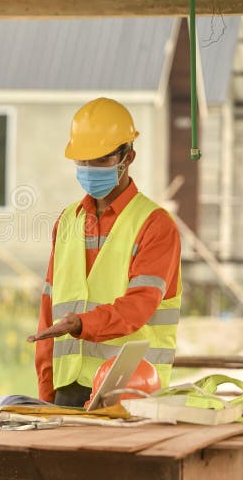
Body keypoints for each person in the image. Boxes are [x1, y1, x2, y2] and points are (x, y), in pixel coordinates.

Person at [27, 98, 182, 407]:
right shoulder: (67, 221)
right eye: (82, 161)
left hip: (132, 387)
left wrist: (83, 324)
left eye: (99, 161)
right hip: (68, 389)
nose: (88, 170)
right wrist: (47, 392)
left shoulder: (155, 225)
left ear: (128, 157)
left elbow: (139, 307)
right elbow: (49, 313)